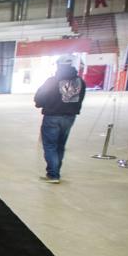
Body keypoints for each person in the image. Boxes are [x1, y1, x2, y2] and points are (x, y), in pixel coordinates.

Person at [33, 55, 85, 184]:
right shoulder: (80, 81)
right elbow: (80, 99)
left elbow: (40, 97)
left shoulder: (52, 81)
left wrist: (41, 104)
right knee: (60, 146)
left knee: (50, 146)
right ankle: (56, 172)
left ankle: (53, 174)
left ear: (58, 66)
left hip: (52, 116)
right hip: (69, 117)